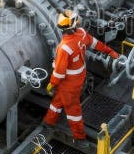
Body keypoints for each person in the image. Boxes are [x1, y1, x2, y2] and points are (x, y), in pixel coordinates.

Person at [43, 10, 119, 142]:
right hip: (74, 82)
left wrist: (52, 83)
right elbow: (96, 44)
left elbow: (59, 72)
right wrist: (110, 51)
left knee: (65, 107)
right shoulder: (80, 35)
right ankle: (61, 128)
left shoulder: (65, 47)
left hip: (69, 83)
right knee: (66, 107)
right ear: (72, 26)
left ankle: (64, 130)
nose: (78, 21)